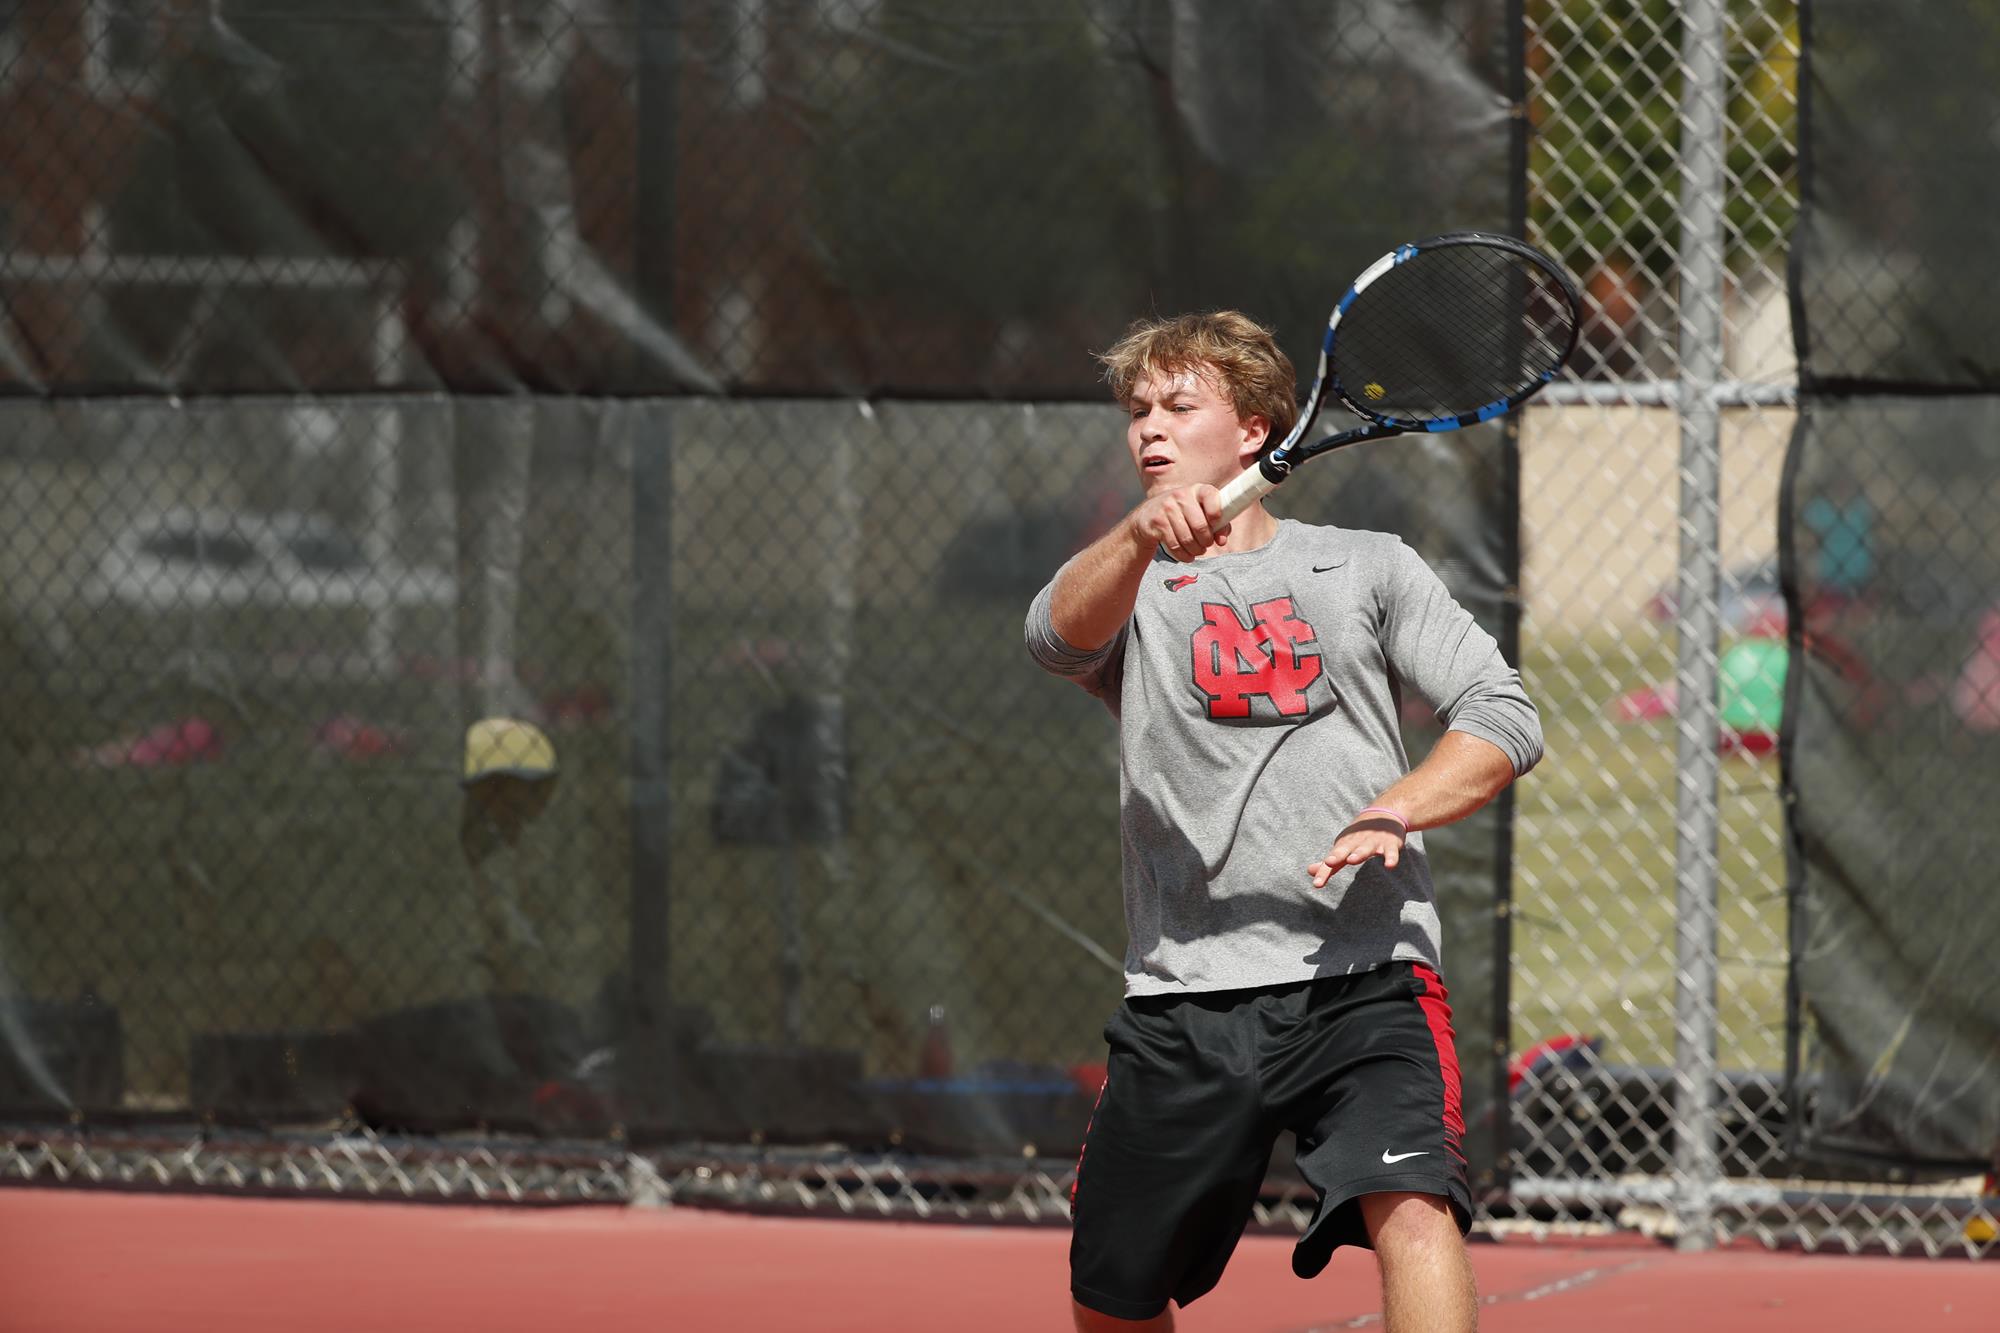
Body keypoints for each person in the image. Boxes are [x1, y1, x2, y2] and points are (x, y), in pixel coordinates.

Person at [1024, 311, 1544, 1333]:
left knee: (1416, 1211)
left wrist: (1395, 805)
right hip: (1186, 992)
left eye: (1179, 406)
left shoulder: (1365, 564)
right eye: (1136, 411)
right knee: (1110, 1289)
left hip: (1365, 975)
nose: (1149, 430)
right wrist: (1137, 534)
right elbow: (1051, 637)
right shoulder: (1125, 585)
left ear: (1257, 428)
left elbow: (1501, 716)